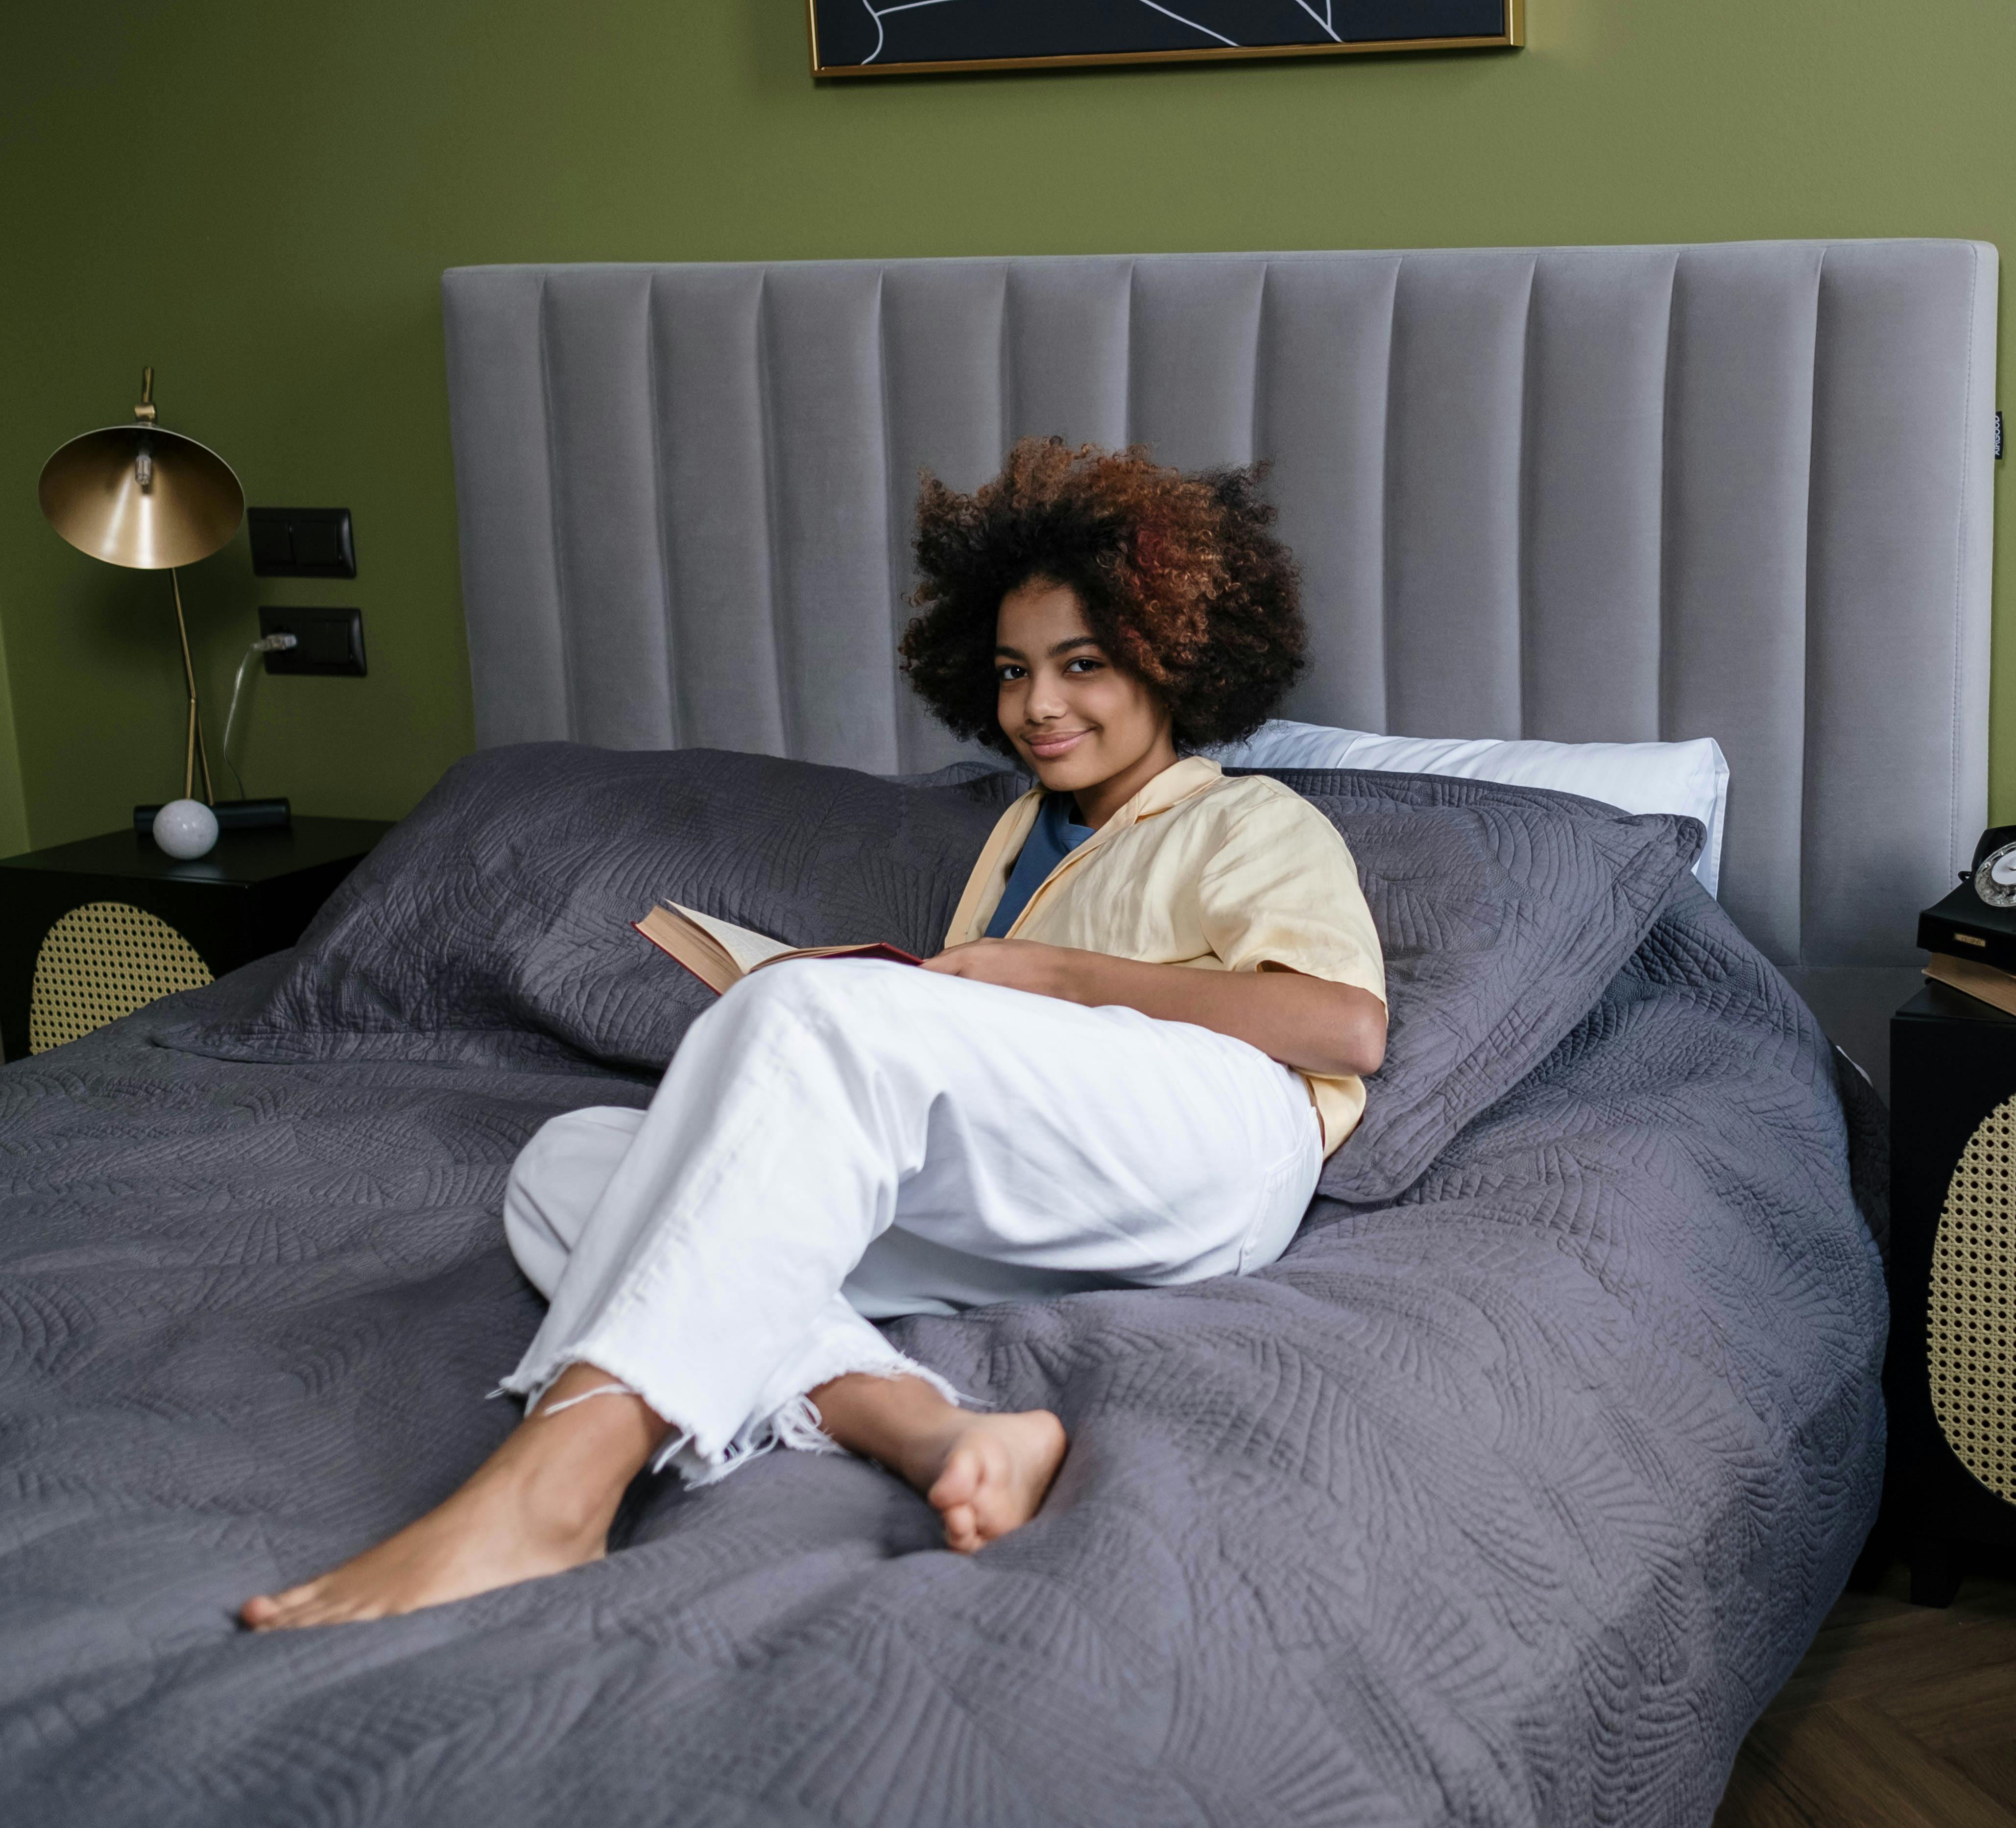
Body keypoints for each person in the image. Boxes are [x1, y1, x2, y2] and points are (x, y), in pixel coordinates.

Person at [241, 440, 1386, 1631]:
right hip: (1056, 1187)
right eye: (1010, 671)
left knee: (803, 1018)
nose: (1037, 705)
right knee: (573, 1162)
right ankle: (930, 1427)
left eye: (1082, 664)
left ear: (1171, 655)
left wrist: (1040, 971)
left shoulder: (1244, 815)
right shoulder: (1015, 839)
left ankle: (554, 1487)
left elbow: (1343, 1024)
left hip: (1221, 1139)